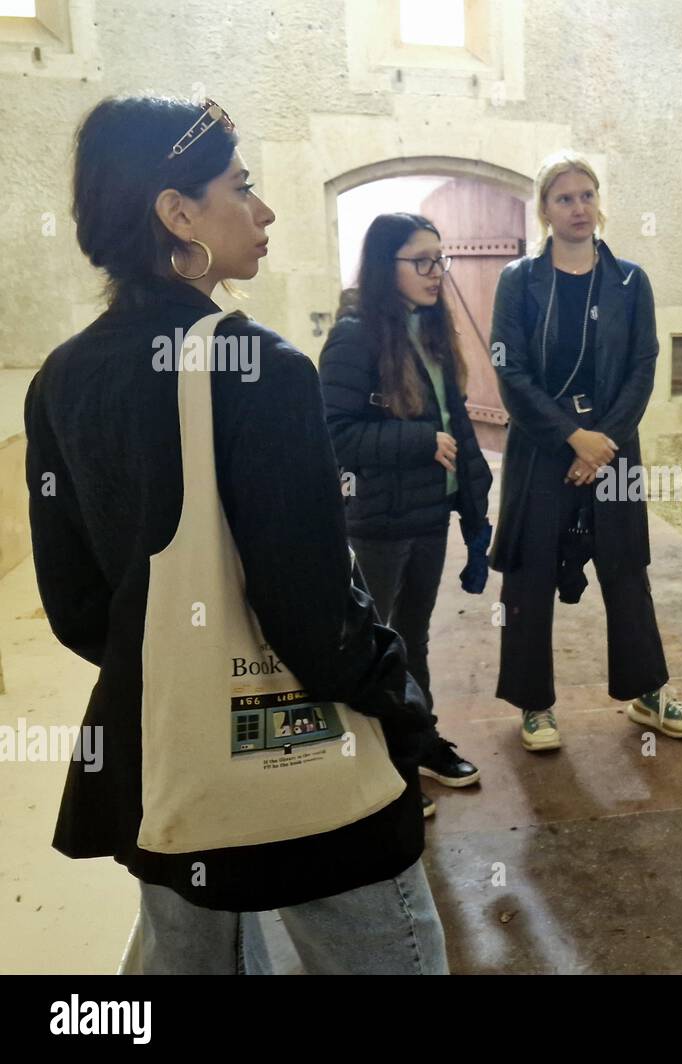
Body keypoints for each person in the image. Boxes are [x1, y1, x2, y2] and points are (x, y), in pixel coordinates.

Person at [26, 94, 447, 973]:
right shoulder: (262, 369)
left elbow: (73, 610)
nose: (264, 211)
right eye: (241, 187)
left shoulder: (59, 380)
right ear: (177, 214)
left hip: (172, 765)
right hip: (307, 769)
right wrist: (401, 704)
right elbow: (315, 615)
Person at [488, 151, 682, 750]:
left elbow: (643, 364)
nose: (578, 208)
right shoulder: (519, 281)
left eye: (587, 195)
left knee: (626, 567)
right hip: (541, 447)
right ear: (545, 209)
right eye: (564, 198)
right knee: (530, 577)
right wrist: (571, 437)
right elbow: (511, 370)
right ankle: (534, 705)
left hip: (614, 448)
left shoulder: (631, 281)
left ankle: (648, 692)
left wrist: (601, 443)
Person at [320, 212, 492, 793]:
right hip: (378, 520)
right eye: (421, 260)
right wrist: (420, 441)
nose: (436, 272)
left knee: (412, 638)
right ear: (383, 265)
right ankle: (382, 763)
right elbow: (334, 432)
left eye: (440, 260)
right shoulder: (355, 335)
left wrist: (475, 510)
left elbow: (456, 423)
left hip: (427, 514)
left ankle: (418, 744)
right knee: (374, 644)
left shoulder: (432, 329)